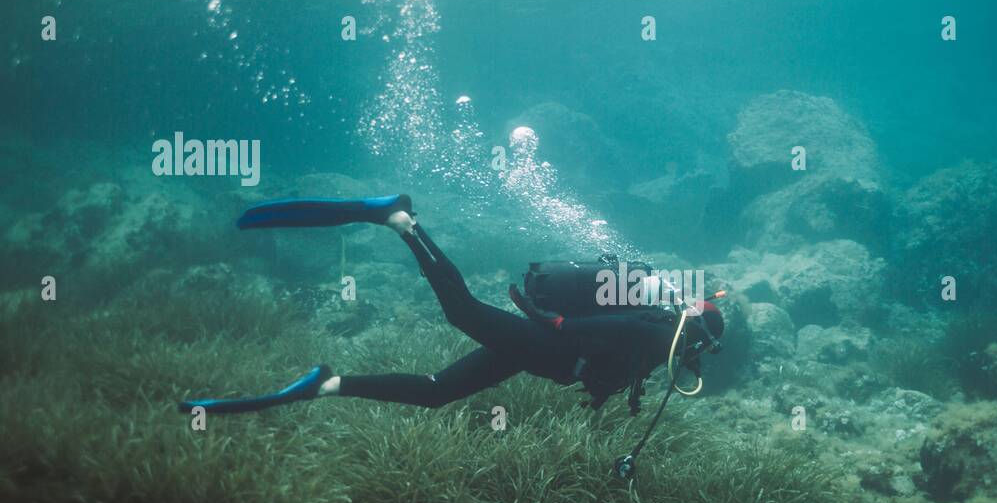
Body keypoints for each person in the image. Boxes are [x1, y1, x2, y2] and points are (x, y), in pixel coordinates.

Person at [177, 194, 724, 417]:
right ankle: (402, 221)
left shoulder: (664, 340)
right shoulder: (662, 335)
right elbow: (609, 325)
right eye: (704, 348)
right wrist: (546, 320)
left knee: (439, 393)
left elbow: (610, 344)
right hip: (546, 347)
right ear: (700, 336)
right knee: (460, 312)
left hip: (544, 355)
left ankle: (328, 383)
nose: (697, 359)